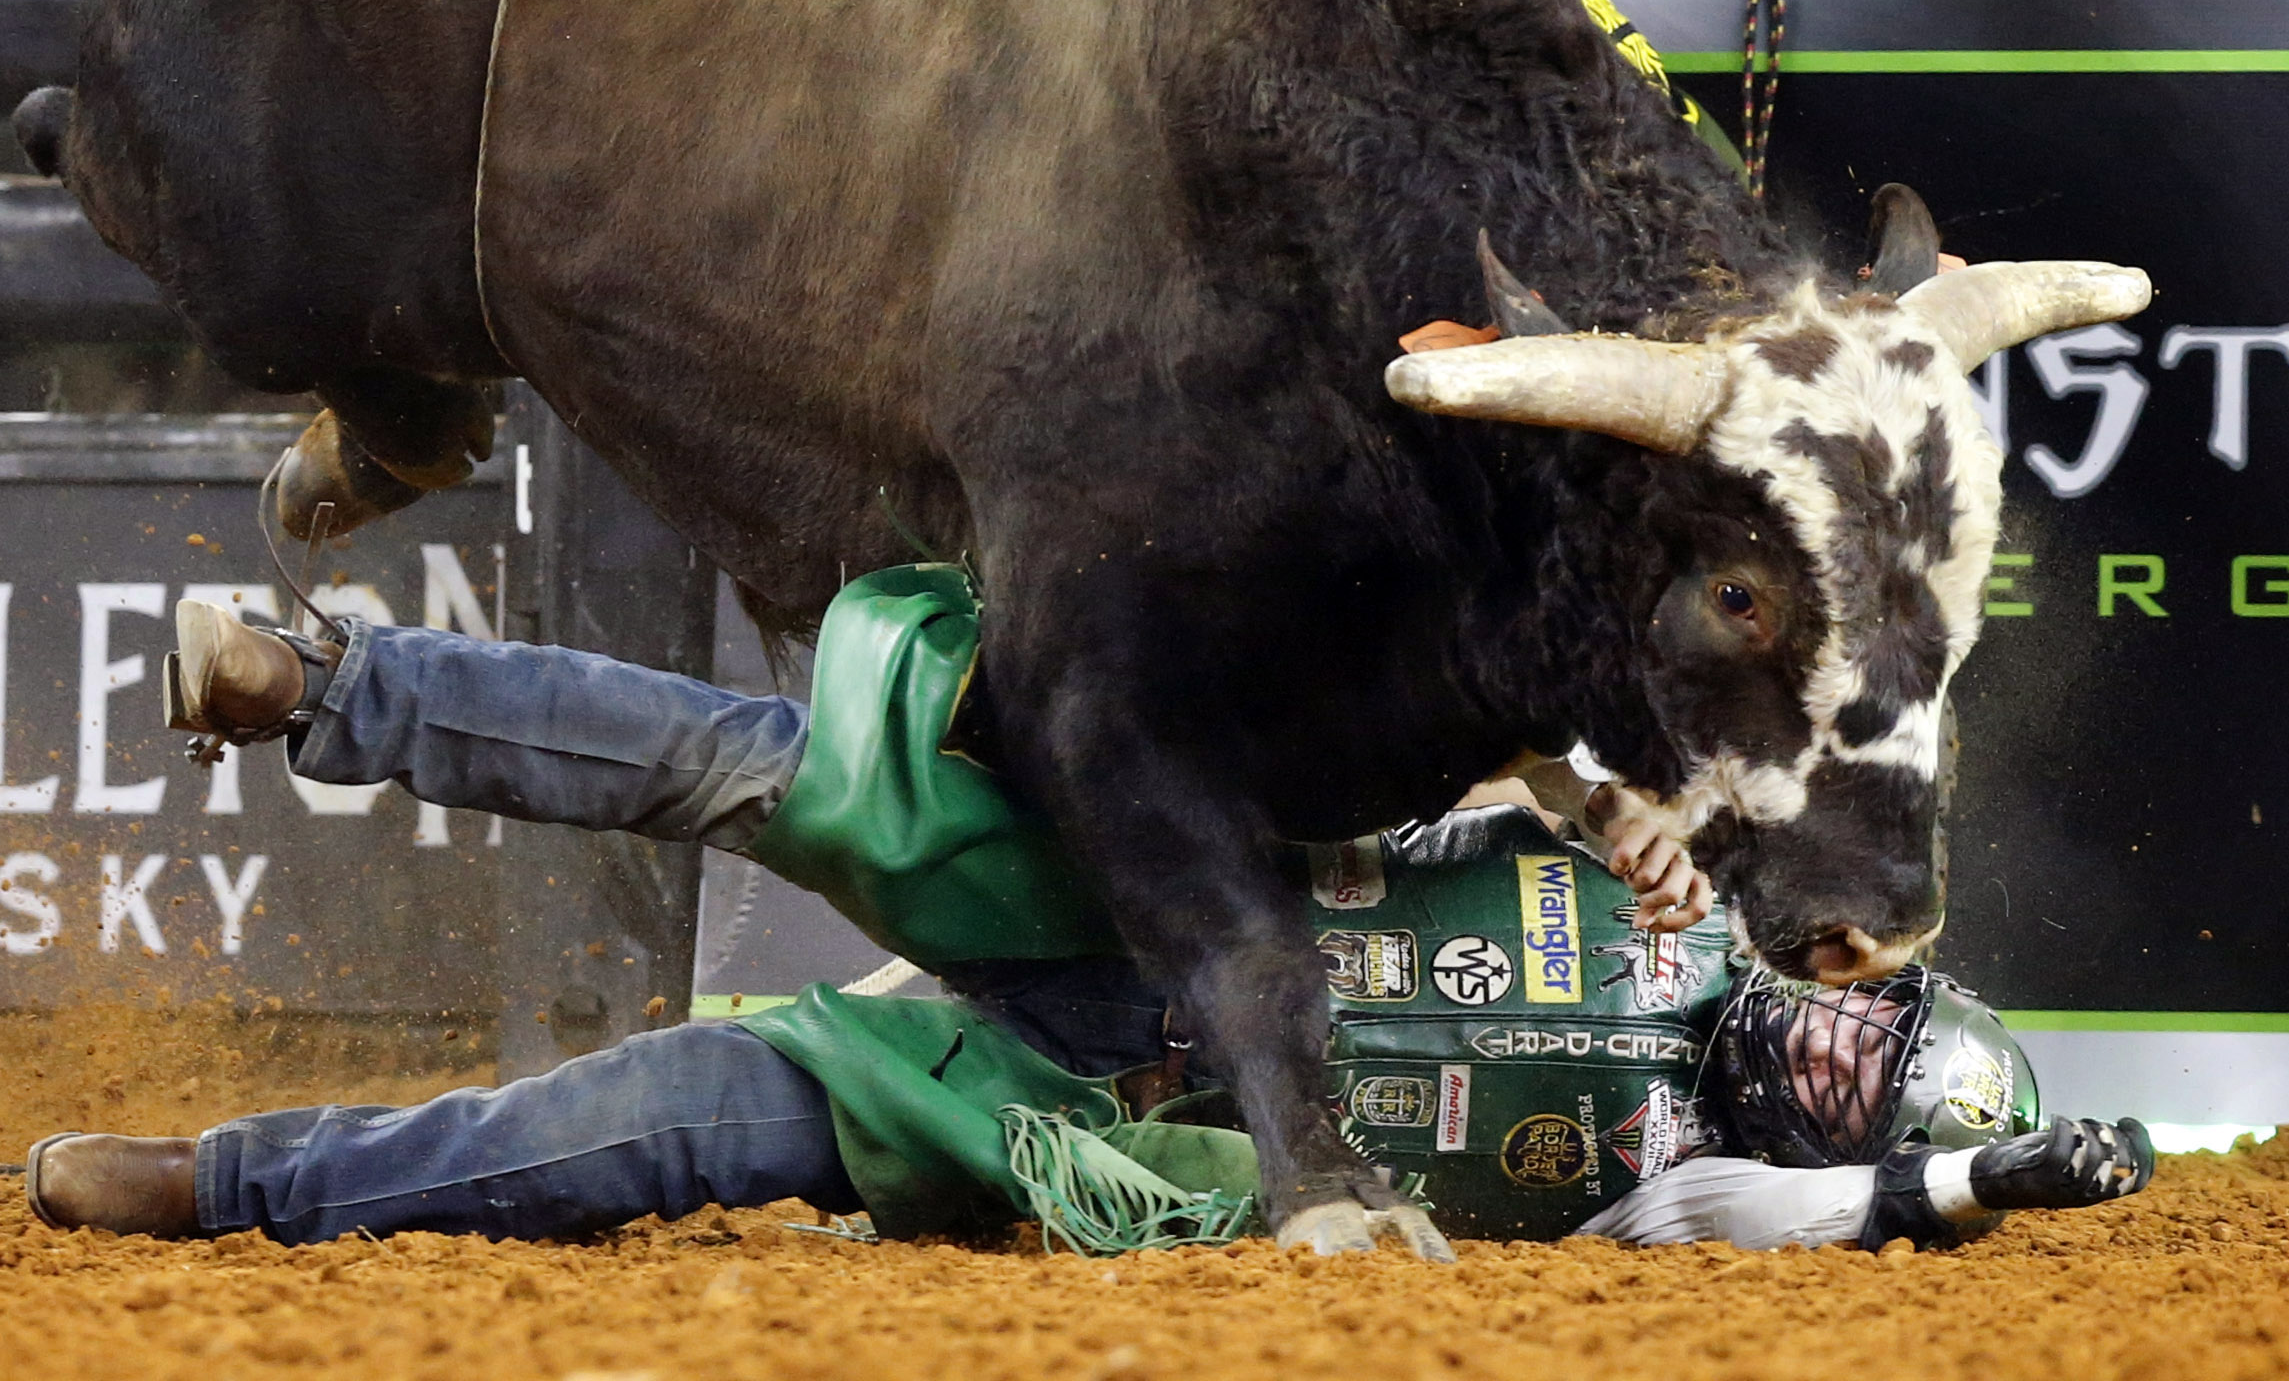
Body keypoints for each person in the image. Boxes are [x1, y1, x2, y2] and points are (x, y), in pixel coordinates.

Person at [23, 568, 2152, 1256]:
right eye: (1875, 1021)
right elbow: (1480, 697)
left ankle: (226, 1187)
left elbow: (1768, 1223)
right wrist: (1591, 796)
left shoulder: (1680, 1193)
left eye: (1861, 1089)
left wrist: (1967, 1185)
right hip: (1149, 879)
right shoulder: (1676, 896)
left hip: (1093, 1113)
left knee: (679, 1126)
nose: (1833, 1046)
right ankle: (319, 680)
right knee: (761, 763)